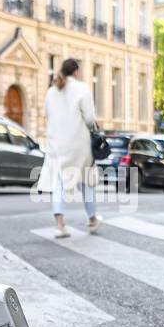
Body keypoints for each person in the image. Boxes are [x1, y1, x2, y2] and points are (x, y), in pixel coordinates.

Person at [37, 58, 101, 237]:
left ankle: (60, 225)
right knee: (86, 181)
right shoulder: (82, 89)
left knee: (59, 184)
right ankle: (92, 219)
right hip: (78, 145)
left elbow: (47, 115)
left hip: (57, 144)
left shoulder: (51, 92)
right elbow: (89, 120)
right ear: (76, 72)